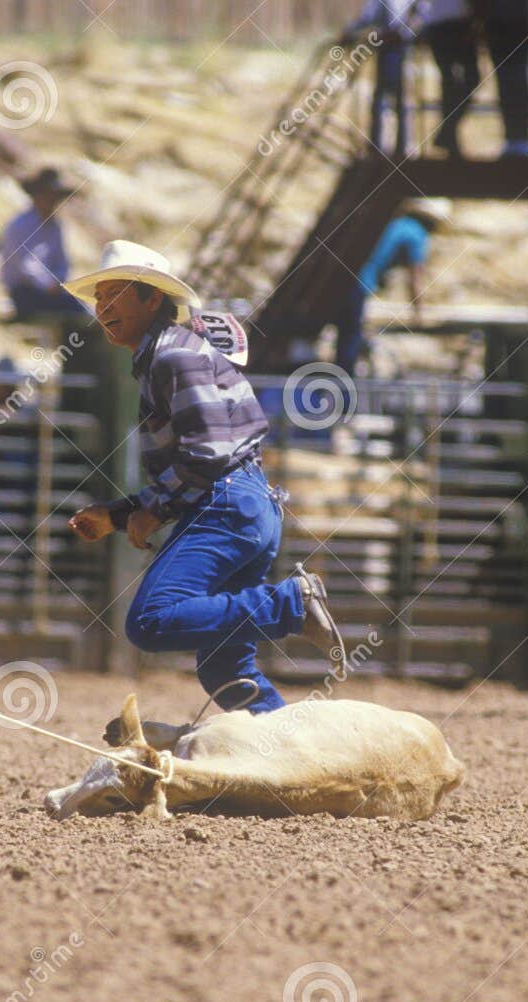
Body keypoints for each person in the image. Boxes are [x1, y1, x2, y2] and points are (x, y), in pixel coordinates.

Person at [63, 240, 345, 713]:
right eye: (99, 297)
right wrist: (119, 515)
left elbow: (209, 451)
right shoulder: (172, 354)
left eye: (115, 295)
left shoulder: (173, 356)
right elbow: (206, 453)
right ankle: (281, 756)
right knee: (224, 668)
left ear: (152, 299)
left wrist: (152, 511)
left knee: (150, 620)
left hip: (225, 506)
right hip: (243, 503)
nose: (102, 308)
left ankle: (289, 605)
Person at [331, 198, 449, 374]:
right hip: (359, 284)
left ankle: (339, 386)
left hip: (344, 280)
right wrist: (419, 313)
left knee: (346, 335)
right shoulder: (417, 234)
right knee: (350, 339)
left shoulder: (394, 224)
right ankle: (344, 393)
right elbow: (414, 278)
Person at [421, 0, 528, 158]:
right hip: (454, 23)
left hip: (449, 23)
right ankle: (448, 132)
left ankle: (448, 132)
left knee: (453, 80)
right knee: (460, 79)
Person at [0, 167, 86, 320]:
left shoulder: (55, 227)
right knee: (66, 312)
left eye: (54, 197)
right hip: (25, 291)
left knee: (80, 313)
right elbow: (25, 264)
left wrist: (59, 281)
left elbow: (62, 260)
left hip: (53, 290)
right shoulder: (20, 225)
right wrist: (48, 285)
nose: (51, 201)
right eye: (47, 195)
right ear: (36, 195)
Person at [345, 1, 423, 158]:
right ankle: (379, 145)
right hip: (389, 48)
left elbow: (419, 16)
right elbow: (368, 17)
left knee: (398, 98)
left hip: (400, 49)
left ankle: (400, 146)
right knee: (384, 98)